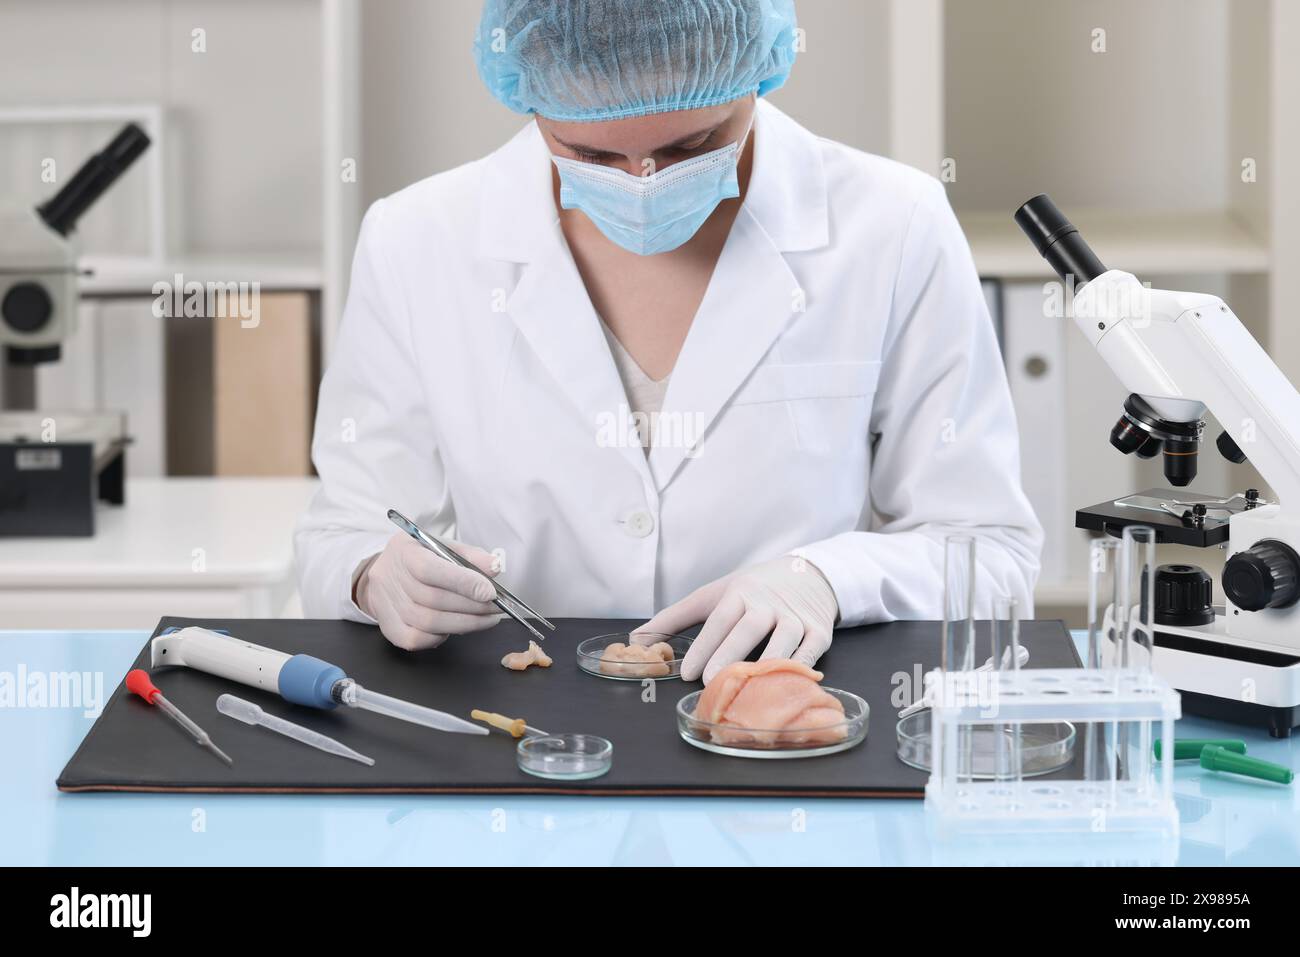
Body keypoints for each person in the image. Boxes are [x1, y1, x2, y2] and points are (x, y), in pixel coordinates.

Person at [295, 0, 1042, 684]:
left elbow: (989, 551)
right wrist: (373, 575)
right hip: (527, 746)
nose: (645, 182)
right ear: (531, 100)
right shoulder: (418, 239)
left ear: (757, 67)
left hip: (790, 736)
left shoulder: (893, 225)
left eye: (694, 145)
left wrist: (827, 577)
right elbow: (346, 525)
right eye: (592, 155)